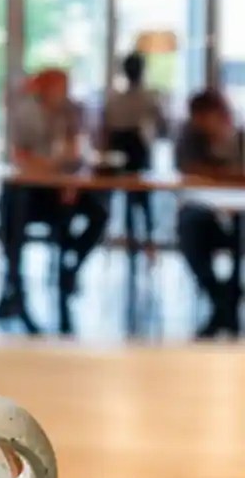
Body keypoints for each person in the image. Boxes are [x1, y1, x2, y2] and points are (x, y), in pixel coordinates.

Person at [0, 68, 110, 335]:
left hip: (64, 187)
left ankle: (71, 266)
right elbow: (20, 156)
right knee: (14, 212)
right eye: (60, 87)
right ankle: (15, 289)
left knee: (99, 212)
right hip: (31, 191)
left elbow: (78, 151)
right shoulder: (26, 113)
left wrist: (70, 179)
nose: (64, 93)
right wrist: (50, 169)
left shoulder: (71, 112)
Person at [175, 90, 244, 338]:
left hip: (239, 208)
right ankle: (222, 300)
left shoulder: (239, 135)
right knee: (190, 228)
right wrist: (227, 174)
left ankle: (227, 301)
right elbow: (188, 168)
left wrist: (215, 172)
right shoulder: (189, 136)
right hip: (203, 208)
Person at [100, 52, 170, 253]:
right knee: (141, 197)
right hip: (137, 150)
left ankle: (134, 239)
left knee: (131, 195)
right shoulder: (150, 98)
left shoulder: (114, 100)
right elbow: (163, 126)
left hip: (120, 152)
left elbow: (105, 130)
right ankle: (146, 241)